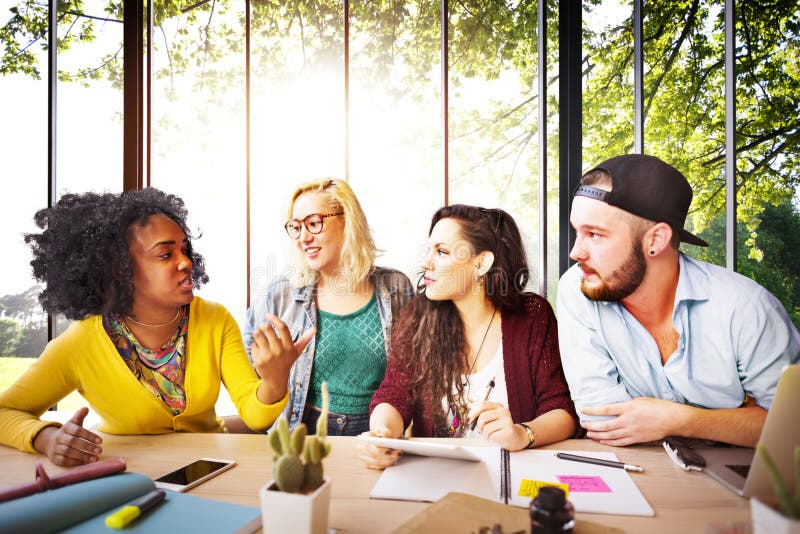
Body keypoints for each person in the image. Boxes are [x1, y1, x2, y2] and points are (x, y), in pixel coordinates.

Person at [0, 188, 301, 466]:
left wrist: (274, 381)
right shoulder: (81, 343)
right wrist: (47, 438)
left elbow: (254, 414)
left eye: (184, 249)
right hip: (128, 479)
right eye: (165, 254)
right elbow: (4, 412)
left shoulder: (214, 319)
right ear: (121, 267)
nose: (185, 262)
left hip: (211, 471)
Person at [557, 154, 800, 447]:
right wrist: (738, 418)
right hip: (637, 469)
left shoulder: (746, 308)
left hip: (741, 483)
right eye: (577, 232)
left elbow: (790, 427)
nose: (576, 252)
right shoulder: (578, 289)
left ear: (656, 240)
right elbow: (604, 422)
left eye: (594, 234)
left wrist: (681, 420)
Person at [358, 205, 578, 469]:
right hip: (436, 476)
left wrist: (522, 433)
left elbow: (561, 410)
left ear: (481, 262)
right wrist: (382, 434)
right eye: (429, 250)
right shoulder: (418, 315)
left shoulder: (533, 315)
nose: (426, 263)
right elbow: (394, 394)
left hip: (513, 474)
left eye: (441, 252)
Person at [242, 178, 413, 436]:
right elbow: (247, 378)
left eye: (313, 223)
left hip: (375, 431)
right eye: (296, 227)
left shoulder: (396, 288)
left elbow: (412, 375)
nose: (303, 237)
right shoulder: (280, 295)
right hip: (301, 431)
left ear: (348, 222)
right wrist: (272, 375)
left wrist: (387, 431)